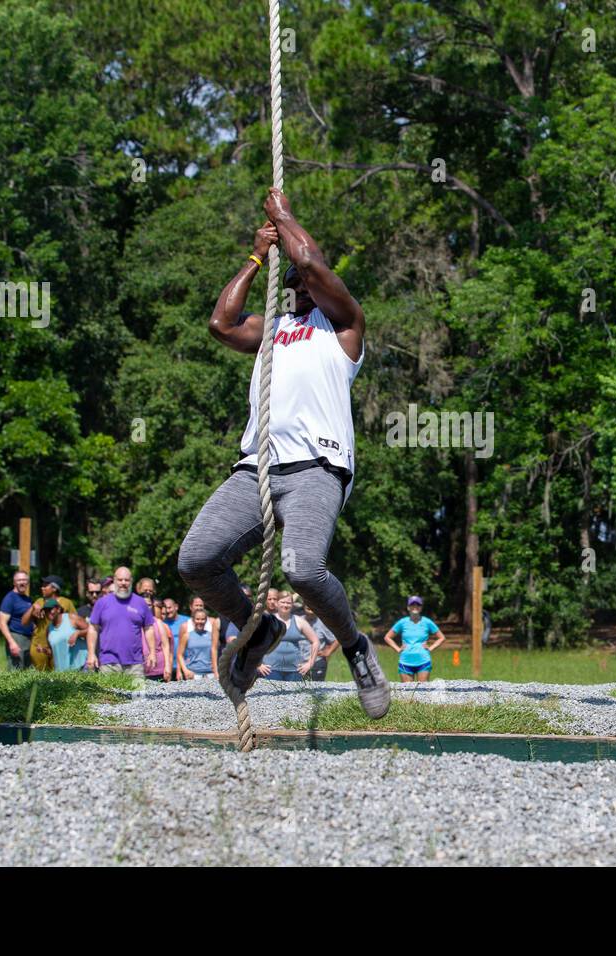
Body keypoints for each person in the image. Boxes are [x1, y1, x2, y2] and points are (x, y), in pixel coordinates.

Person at [177, 187, 389, 717]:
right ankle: (261, 627)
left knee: (302, 569)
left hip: (317, 466)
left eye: (300, 280)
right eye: (289, 281)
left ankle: (356, 648)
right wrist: (254, 257)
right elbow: (221, 324)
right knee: (197, 560)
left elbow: (311, 261)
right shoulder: (272, 331)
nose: (296, 283)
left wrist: (286, 217)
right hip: (257, 468)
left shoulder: (342, 326)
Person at [86, 567, 156, 675]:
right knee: (107, 692)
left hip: (135, 664)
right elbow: (93, 629)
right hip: (108, 663)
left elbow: (149, 628)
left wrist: (152, 652)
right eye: (120, 580)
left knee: (138, 692)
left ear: (131, 581)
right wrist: (91, 654)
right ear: (114, 580)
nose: (123, 583)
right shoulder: (102, 603)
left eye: (126, 580)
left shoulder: (141, 603)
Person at [260, 591, 320, 682]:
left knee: (294, 696)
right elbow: (254, 642)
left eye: (288, 603)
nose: (285, 605)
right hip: (270, 670)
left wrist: (310, 663)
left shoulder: (299, 621)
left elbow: (315, 641)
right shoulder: (268, 621)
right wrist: (258, 664)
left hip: (295, 671)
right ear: (277, 604)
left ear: (292, 605)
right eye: (283, 602)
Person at [385, 596, 446, 683]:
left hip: (423, 661)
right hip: (405, 661)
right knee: (407, 693)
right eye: (412, 604)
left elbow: (441, 638)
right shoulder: (402, 622)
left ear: (421, 608)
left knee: (423, 692)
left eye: (418, 605)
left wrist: (430, 648)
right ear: (408, 607)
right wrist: (398, 649)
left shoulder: (427, 622)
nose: (415, 607)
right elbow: (387, 637)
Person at [24, 575, 76, 671]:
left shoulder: (66, 603)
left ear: (54, 588)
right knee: (41, 679)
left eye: (45, 585)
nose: (42, 588)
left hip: (59, 647)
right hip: (39, 647)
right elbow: (24, 622)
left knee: (59, 677)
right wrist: (32, 608)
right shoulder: (39, 602)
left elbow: (74, 623)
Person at [0, 571, 35, 670]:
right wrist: (12, 643)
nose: (22, 582)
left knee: (27, 673)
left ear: (28, 583)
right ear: (14, 583)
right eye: (19, 580)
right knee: (15, 672)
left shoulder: (27, 599)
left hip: (28, 639)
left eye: (24, 580)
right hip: (16, 637)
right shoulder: (10, 598)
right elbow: (2, 623)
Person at [44, 598, 91, 672]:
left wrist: (78, 633)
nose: (48, 612)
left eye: (50, 609)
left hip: (82, 668)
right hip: (63, 673)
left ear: (58, 609)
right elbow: (53, 651)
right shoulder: (48, 629)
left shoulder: (71, 618)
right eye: (45, 611)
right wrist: (46, 650)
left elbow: (92, 631)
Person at [177, 607, 219, 681]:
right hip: (193, 674)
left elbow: (217, 652)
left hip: (210, 674)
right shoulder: (187, 636)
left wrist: (216, 671)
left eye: (203, 619)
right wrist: (185, 670)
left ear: (206, 620)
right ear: (193, 620)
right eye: (197, 619)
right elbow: (180, 654)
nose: (200, 621)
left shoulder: (212, 635)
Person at [302, 603, 338, 681]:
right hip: (299, 663)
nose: (309, 606)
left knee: (316, 691)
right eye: (307, 602)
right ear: (303, 605)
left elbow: (337, 639)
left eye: (312, 603)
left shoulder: (323, 623)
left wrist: (329, 651)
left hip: (316, 663)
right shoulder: (298, 620)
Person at [143, 599, 174, 682]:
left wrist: (168, 666)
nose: (146, 607)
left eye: (149, 605)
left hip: (158, 669)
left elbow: (166, 646)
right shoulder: (132, 622)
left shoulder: (158, 622)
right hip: (138, 670)